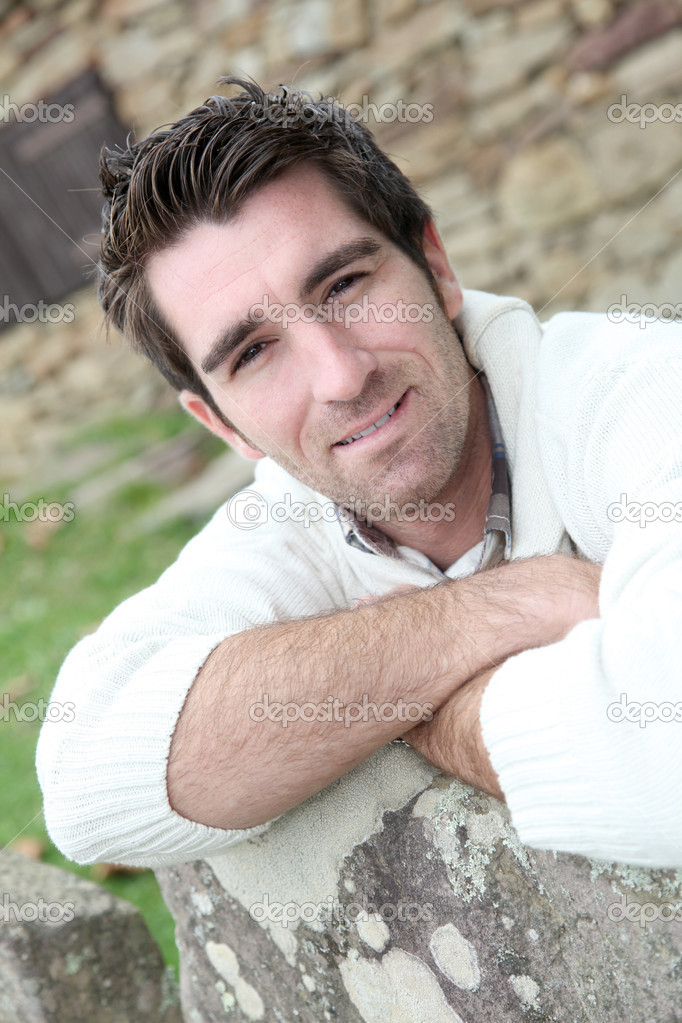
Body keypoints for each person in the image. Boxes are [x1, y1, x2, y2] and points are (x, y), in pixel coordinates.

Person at [37, 77, 682, 870]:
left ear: (436, 267)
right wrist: (493, 614)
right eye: (253, 352)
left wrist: (410, 703)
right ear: (221, 424)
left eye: (344, 285)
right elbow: (84, 773)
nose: (340, 375)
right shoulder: (285, 521)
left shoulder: (640, 391)